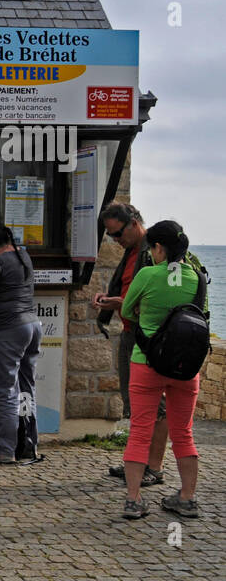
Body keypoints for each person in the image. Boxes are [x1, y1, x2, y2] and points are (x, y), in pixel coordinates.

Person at [118, 220, 202, 520]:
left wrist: (145, 310)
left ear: (158, 248)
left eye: (152, 248)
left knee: (140, 432)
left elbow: (126, 310)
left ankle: (133, 499)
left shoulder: (148, 274)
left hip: (147, 362)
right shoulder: (197, 278)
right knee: (184, 433)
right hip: (185, 367)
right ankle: (187, 498)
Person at [91, 202, 167, 487]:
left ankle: (154, 468)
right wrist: (109, 302)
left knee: (155, 406)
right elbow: (128, 293)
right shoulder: (132, 252)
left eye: (117, 233)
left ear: (134, 223)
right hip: (130, 334)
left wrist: (117, 302)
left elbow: (154, 301)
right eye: (110, 236)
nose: (115, 240)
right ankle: (137, 463)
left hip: (147, 337)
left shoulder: (154, 253)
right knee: (135, 405)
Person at [0, 220, 43, 464]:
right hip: (33, 324)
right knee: (27, 387)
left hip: (9, 327)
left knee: (4, 391)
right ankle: (29, 445)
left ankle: (5, 450)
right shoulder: (24, 255)